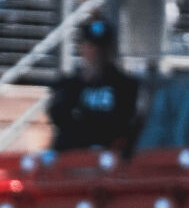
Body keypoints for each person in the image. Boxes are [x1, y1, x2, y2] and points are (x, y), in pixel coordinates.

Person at [46, 16, 140, 154]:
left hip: (108, 156)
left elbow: (124, 121)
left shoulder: (124, 84)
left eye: (100, 48)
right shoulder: (70, 84)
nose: (95, 52)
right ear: (82, 48)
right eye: (90, 46)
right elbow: (59, 117)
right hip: (73, 153)